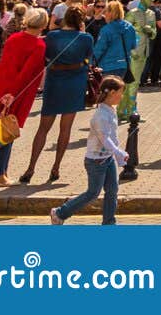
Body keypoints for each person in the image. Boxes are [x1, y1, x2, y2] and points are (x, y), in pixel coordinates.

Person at [20, 6, 94, 183]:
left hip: (55, 80)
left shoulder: (52, 36)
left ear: (65, 19)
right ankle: (56, 167)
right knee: (65, 128)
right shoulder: (86, 38)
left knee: (43, 128)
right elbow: (88, 59)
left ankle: (31, 168)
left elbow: (45, 56)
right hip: (75, 81)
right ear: (81, 21)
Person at [0, 7, 48, 186]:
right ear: (44, 24)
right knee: (7, 131)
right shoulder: (39, 45)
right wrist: (13, 94)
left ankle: (2, 173)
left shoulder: (14, 38)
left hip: (2, 86)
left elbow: (5, 64)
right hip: (18, 92)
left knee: (3, 129)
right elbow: (25, 73)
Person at [48, 76, 127, 226]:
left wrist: (116, 153)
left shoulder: (110, 110)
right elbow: (104, 138)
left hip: (107, 158)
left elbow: (112, 136)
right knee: (92, 193)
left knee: (112, 191)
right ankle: (59, 213)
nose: (121, 96)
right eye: (120, 92)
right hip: (96, 161)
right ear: (111, 92)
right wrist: (118, 152)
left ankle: (109, 223)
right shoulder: (100, 115)